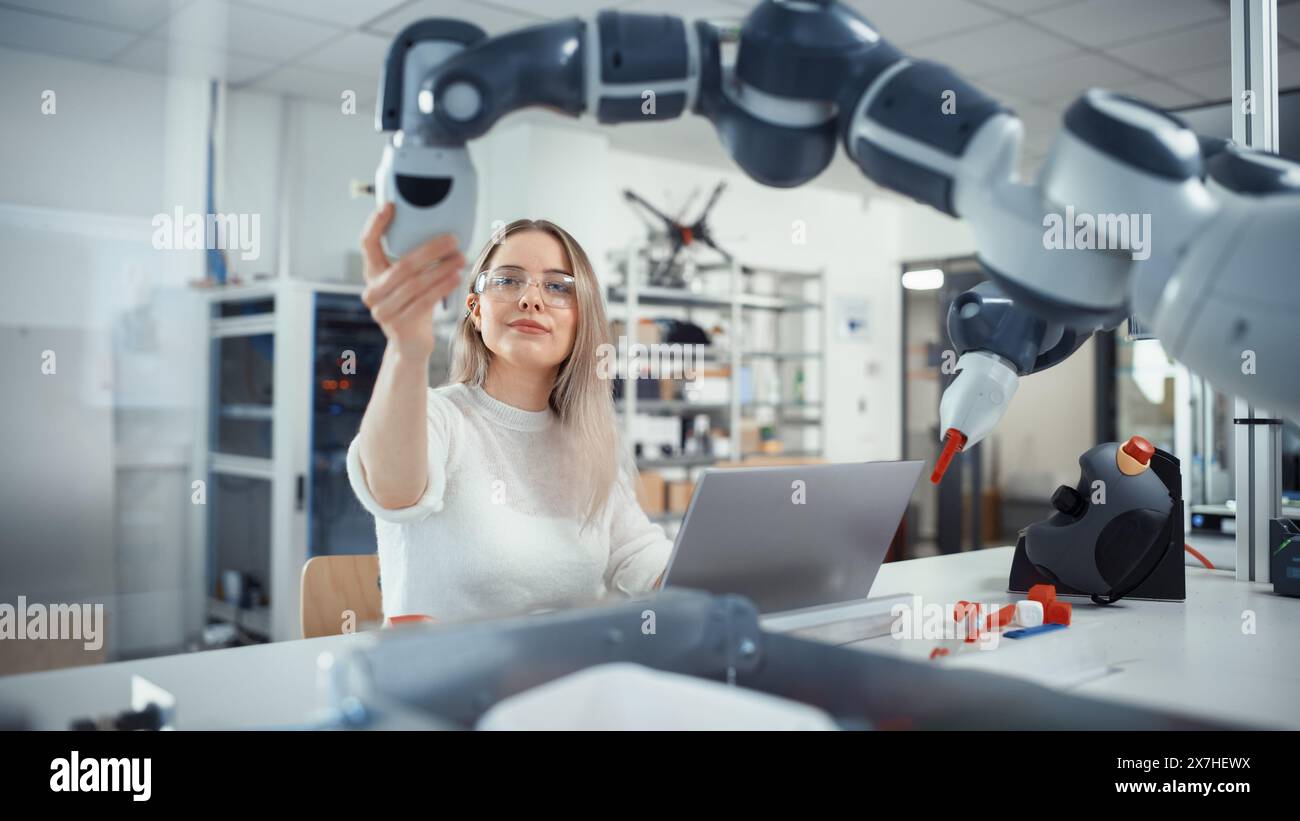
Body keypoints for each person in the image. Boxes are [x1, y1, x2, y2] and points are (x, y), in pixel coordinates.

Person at [346, 204, 671, 625]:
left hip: (560, 676)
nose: (530, 298)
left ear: (581, 320)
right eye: (507, 280)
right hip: (447, 681)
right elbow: (392, 491)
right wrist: (406, 348)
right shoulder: (440, 417)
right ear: (476, 312)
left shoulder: (591, 438)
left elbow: (641, 557)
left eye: (558, 287)